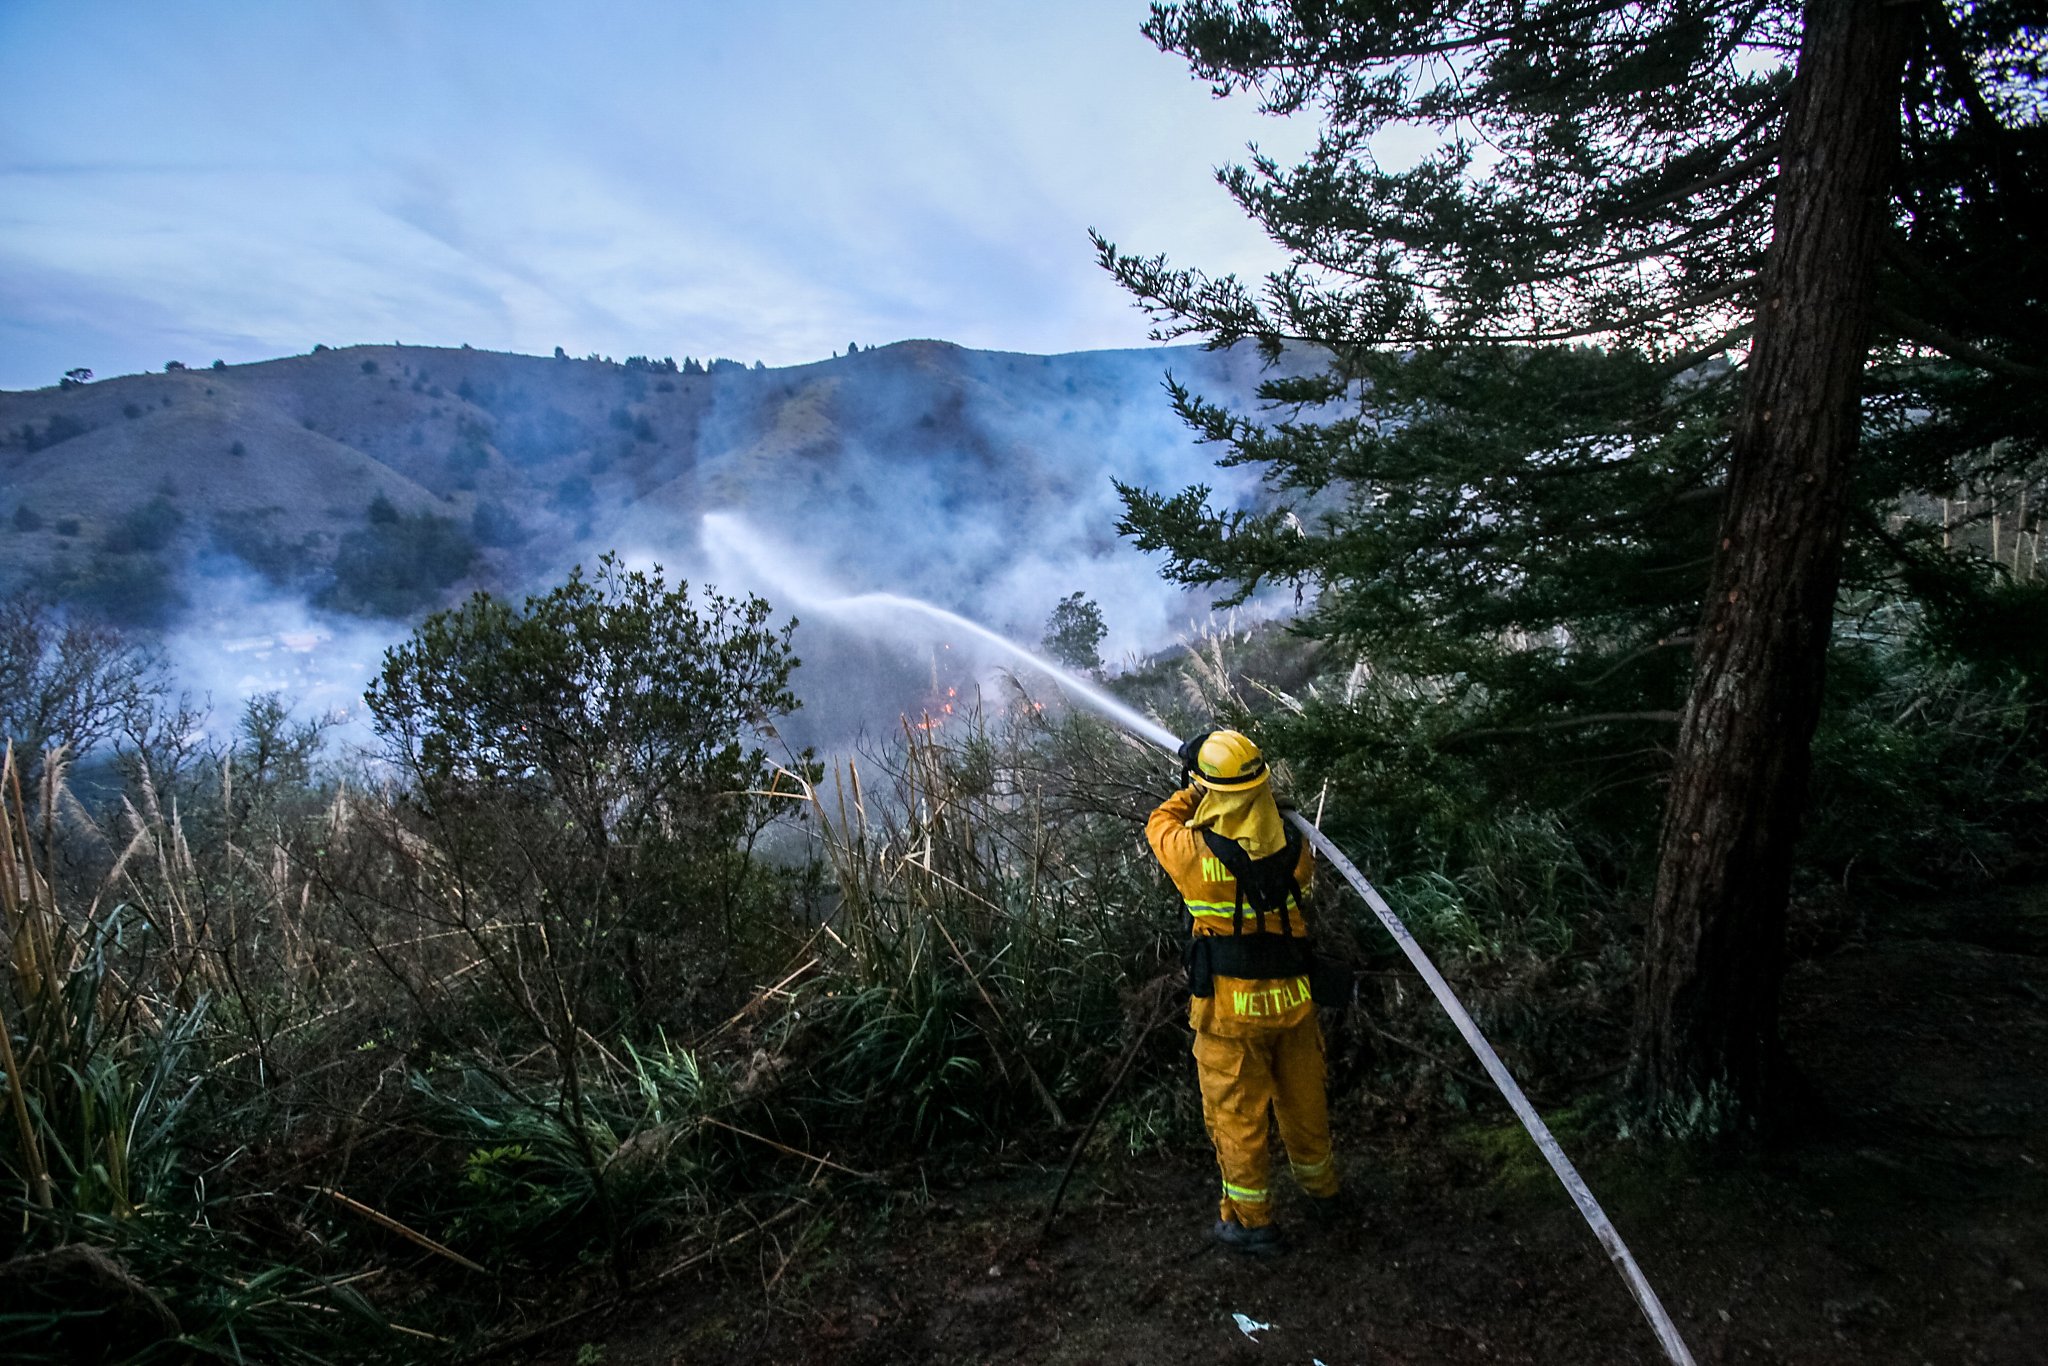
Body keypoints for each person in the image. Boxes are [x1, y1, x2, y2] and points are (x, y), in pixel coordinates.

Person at [1147, 729, 1339, 1254]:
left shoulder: (1189, 852)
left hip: (1230, 1015)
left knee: (1236, 1115)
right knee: (1305, 1103)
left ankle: (1252, 1223)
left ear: (1211, 792)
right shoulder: (1298, 852)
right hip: (1294, 1003)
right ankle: (1324, 1192)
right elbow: (1265, 831)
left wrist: (1191, 781)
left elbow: (1160, 821)